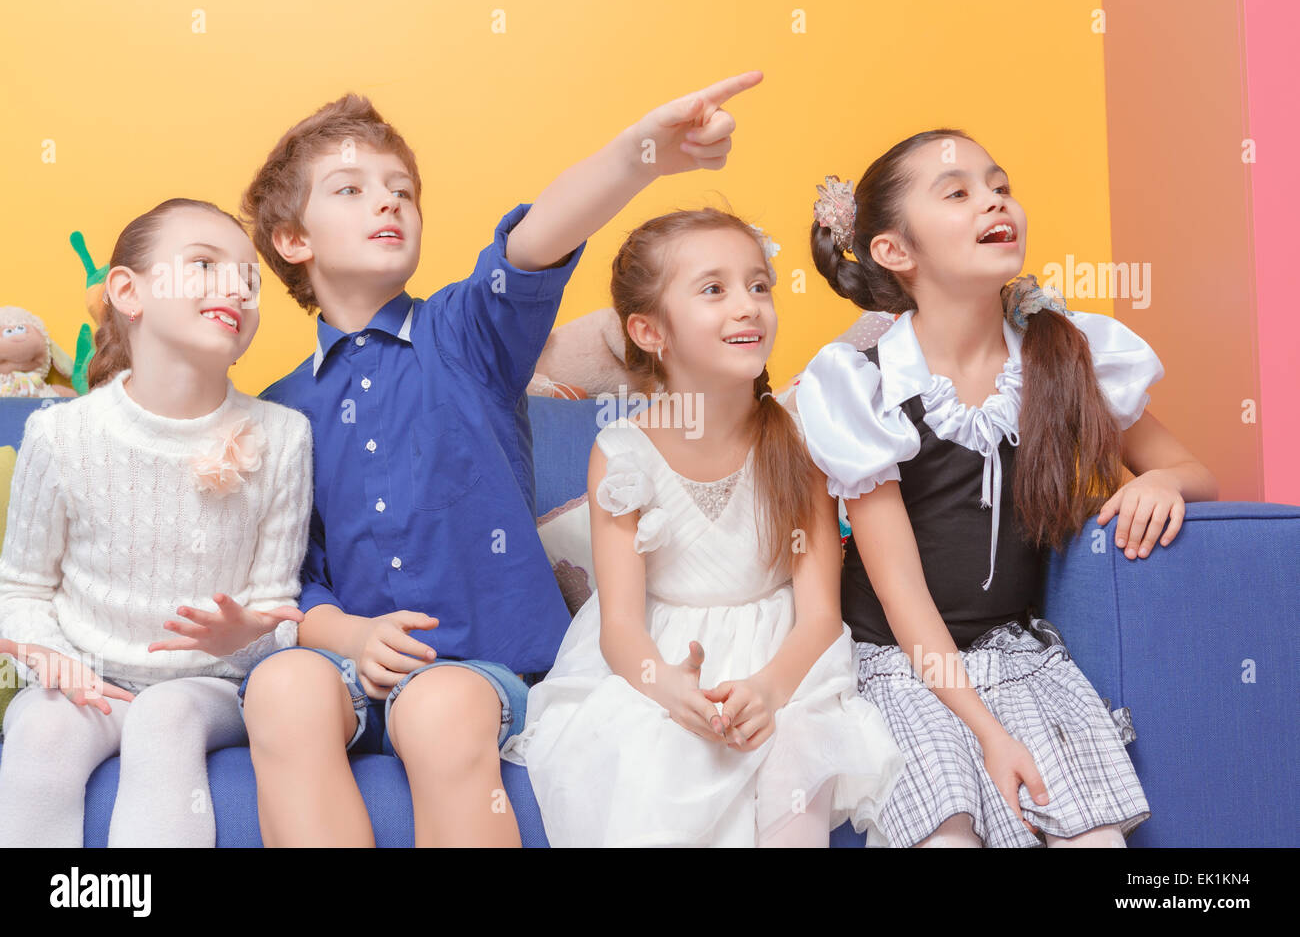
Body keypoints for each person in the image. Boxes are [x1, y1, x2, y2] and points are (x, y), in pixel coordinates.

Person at [237, 76, 767, 846]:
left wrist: (641, 154)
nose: (388, 203)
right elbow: (289, 576)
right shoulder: (277, 411)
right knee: (280, 686)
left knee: (437, 707)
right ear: (294, 242)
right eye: (350, 190)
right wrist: (348, 638)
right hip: (347, 668)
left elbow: (537, 239)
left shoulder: (467, 332)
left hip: (473, 671)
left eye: (402, 191)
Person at [794, 131, 1219, 847]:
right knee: (947, 830)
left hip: (1017, 655)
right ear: (896, 252)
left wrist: (1164, 485)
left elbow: (1195, 471)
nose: (994, 199)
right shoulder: (862, 385)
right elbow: (899, 596)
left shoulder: (1065, 354)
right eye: (957, 192)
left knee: (1097, 839)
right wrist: (987, 733)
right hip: (901, 664)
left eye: (999, 185)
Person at [500, 208, 905, 847]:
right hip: (657, 662)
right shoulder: (622, 450)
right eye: (714, 289)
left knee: (797, 750)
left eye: (758, 286)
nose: (747, 306)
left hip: (784, 659)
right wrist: (671, 690)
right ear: (650, 330)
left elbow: (821, 613)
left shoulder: (800, 436)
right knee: (652, 758)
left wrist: (769, 691)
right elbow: (622, 626)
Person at [0, 198, 311, 847]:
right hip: (89, 675)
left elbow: (277, 613)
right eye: (204, 264)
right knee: (41, 728)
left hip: (209, 687)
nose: (237, 287)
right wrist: (53, 661)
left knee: (164, 717)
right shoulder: (59, 434)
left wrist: (244, 637)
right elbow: (22, 591)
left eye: (249, 280)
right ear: (127, 291)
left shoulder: (284, 436)